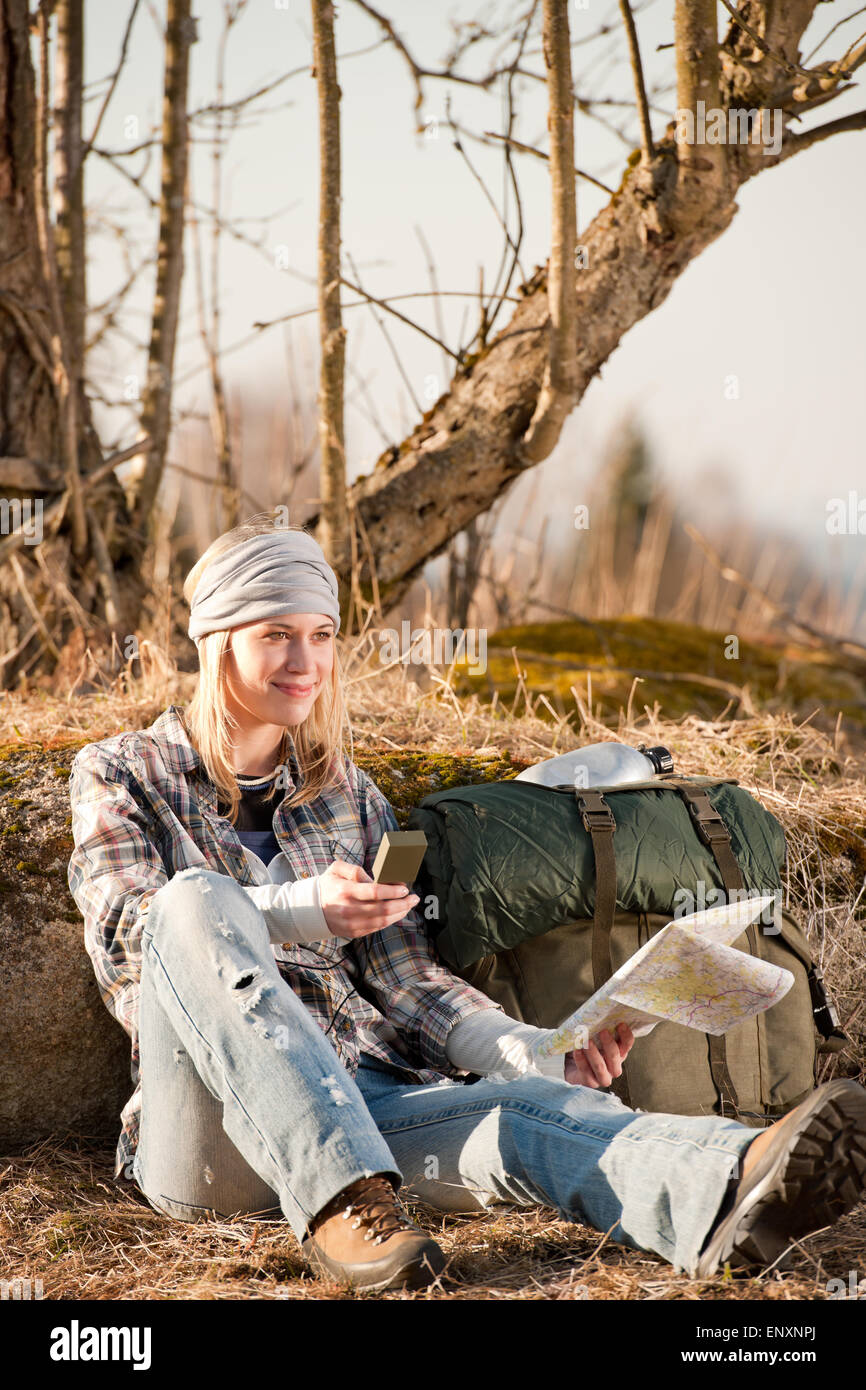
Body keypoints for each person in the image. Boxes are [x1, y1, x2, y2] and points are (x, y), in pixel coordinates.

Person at [67, 516, 866, 1293]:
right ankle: (339, 1200)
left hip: (370, 1105)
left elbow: (411, 984)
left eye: (321, 634)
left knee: (524, 1113)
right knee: (193, 898)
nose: (305, 660)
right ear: (217, 642)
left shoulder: (345, 794)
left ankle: (732, 1181)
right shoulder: (122, 774)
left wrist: (533, 1049)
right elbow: (134, 942)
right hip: (213, 1140)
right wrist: (300, 908)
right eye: (277, 634)